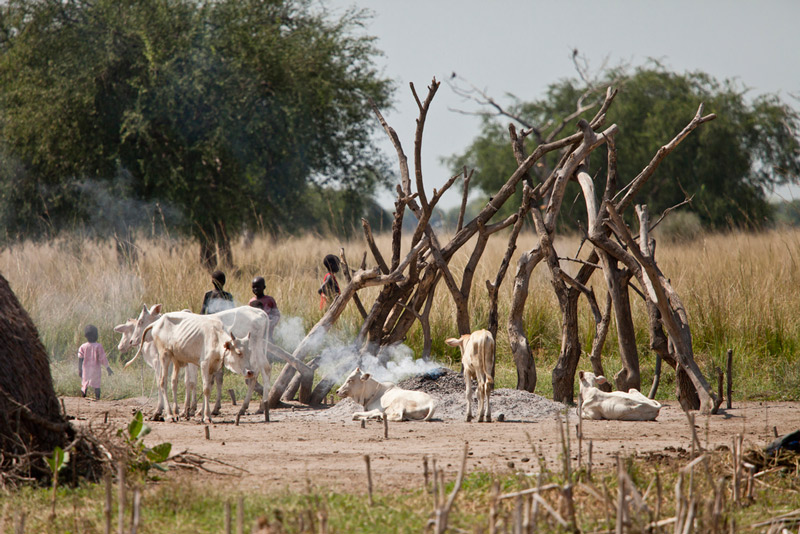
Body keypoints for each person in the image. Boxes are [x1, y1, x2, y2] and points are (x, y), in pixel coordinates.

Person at [78, 324, 113, 400]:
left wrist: (80, 369)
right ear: (96, 335)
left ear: (85, 336)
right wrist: (108, 368)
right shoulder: (98, 346)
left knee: (84, 383)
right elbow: (103, 358)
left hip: (86, 369)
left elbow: (80, 358)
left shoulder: (83, 346)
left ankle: (83, 397)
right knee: (97, 385)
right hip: (96, 369)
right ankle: (97, 398)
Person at [250, 276, 280, 340]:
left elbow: (276, 314)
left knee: (269, 344)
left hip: (267, 330)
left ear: (264, 287)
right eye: (253, 287)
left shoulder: (269, 300)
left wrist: (271, 323)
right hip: (255, 330)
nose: (255, 289)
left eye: (258, 287)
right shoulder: (251, 301)